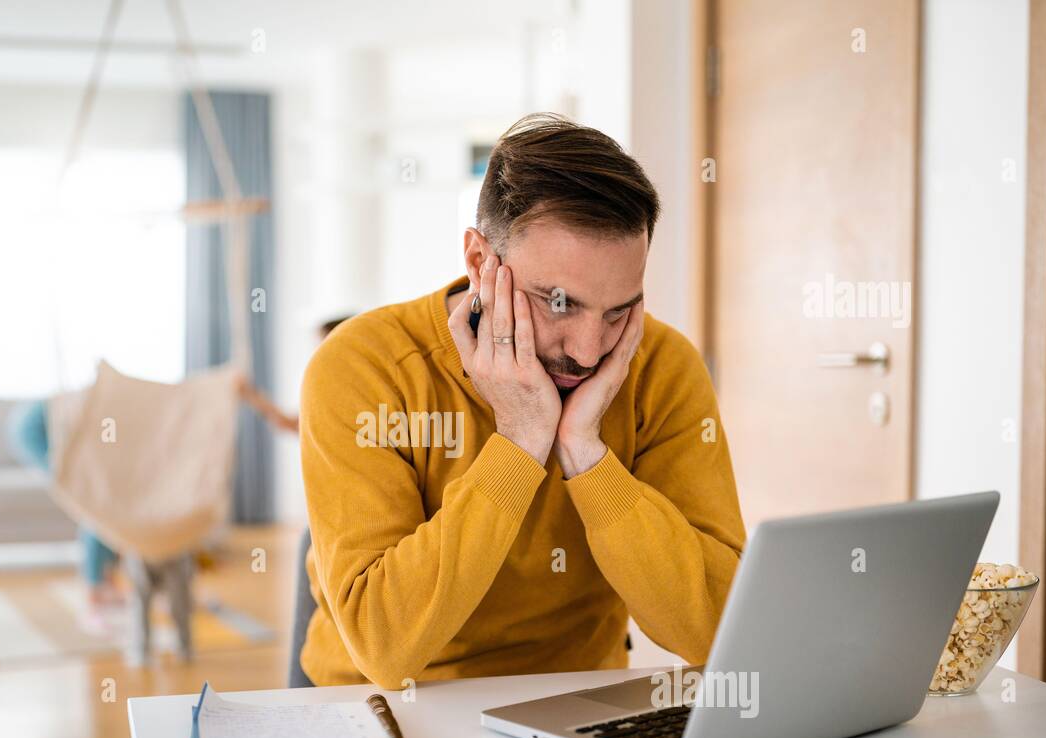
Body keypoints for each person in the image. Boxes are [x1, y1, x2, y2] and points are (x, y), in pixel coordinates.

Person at [298, 113, 747, 689]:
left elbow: (716, 631)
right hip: (384, 711)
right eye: (558, 303)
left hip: (574, 705)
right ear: (481, 262)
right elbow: (385, 649)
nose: (588, 352)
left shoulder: (662, 365)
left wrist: (585, 453)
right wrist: (518, 441)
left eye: (617, 311)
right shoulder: (364, 366)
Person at [6, 399, 122, 631]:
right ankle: (93, 600)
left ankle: (105, 586)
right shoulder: (114, 415)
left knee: (106, 505)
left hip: (36, 419)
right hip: (34, 427)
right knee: (93, 508)